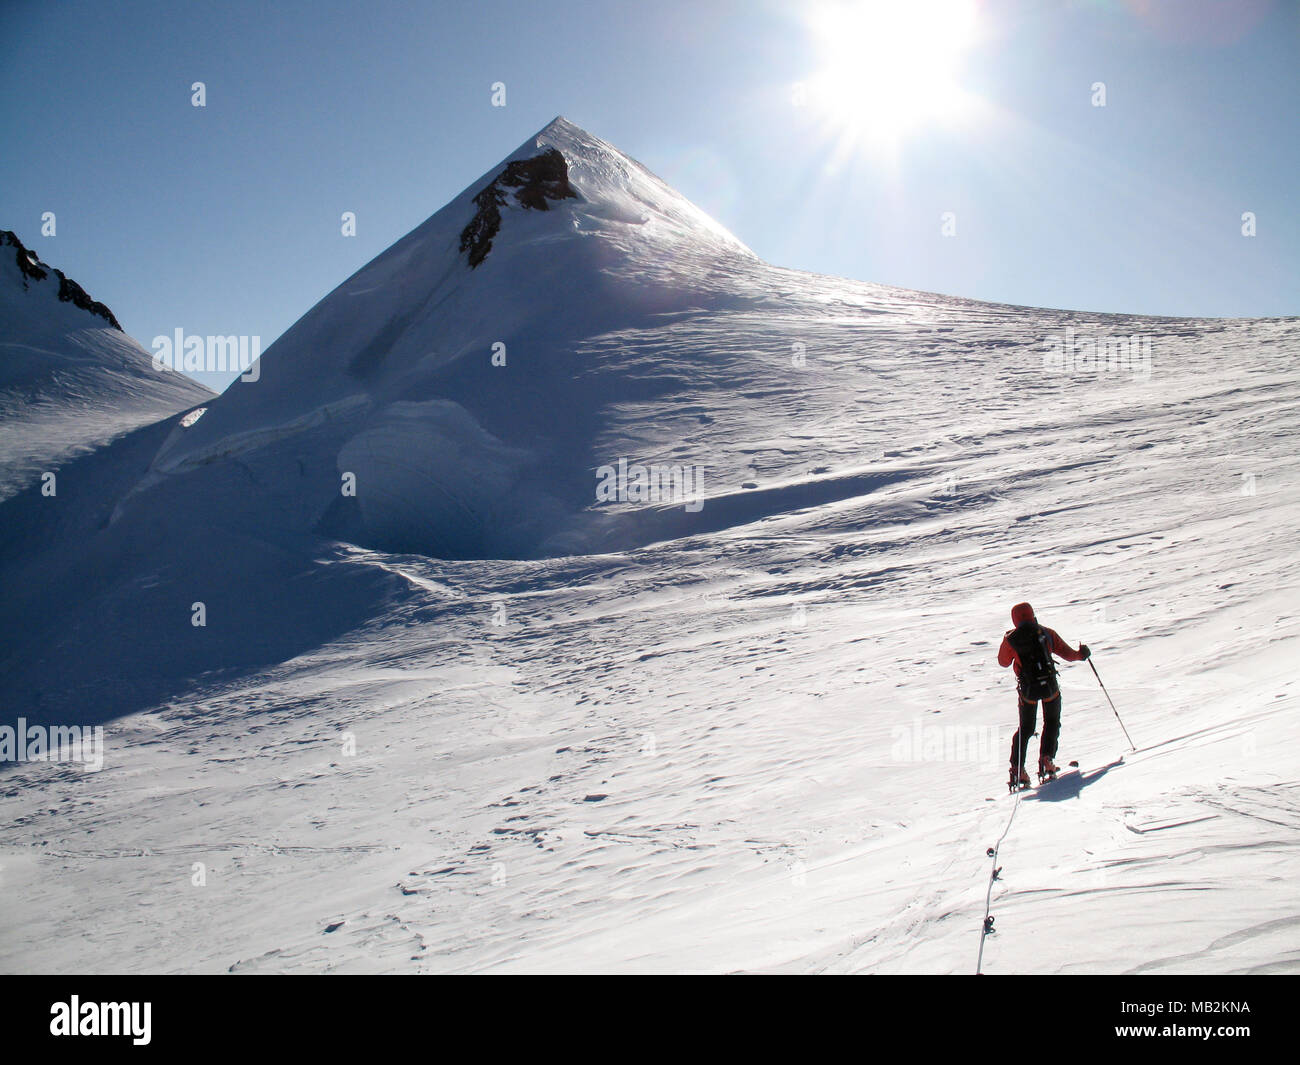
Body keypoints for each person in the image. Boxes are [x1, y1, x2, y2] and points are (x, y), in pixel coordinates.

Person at [998, 602, 1089, 789]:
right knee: (1052, 721)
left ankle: (1017, 770)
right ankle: (1047, 760)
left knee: (1026, 728)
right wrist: (1081, 654)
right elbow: (1068, 654)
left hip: (1027, 691)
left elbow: (1003, 662)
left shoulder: (1011, 639)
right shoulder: (1045, 633)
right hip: (1049, 687)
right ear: (1032, 614)